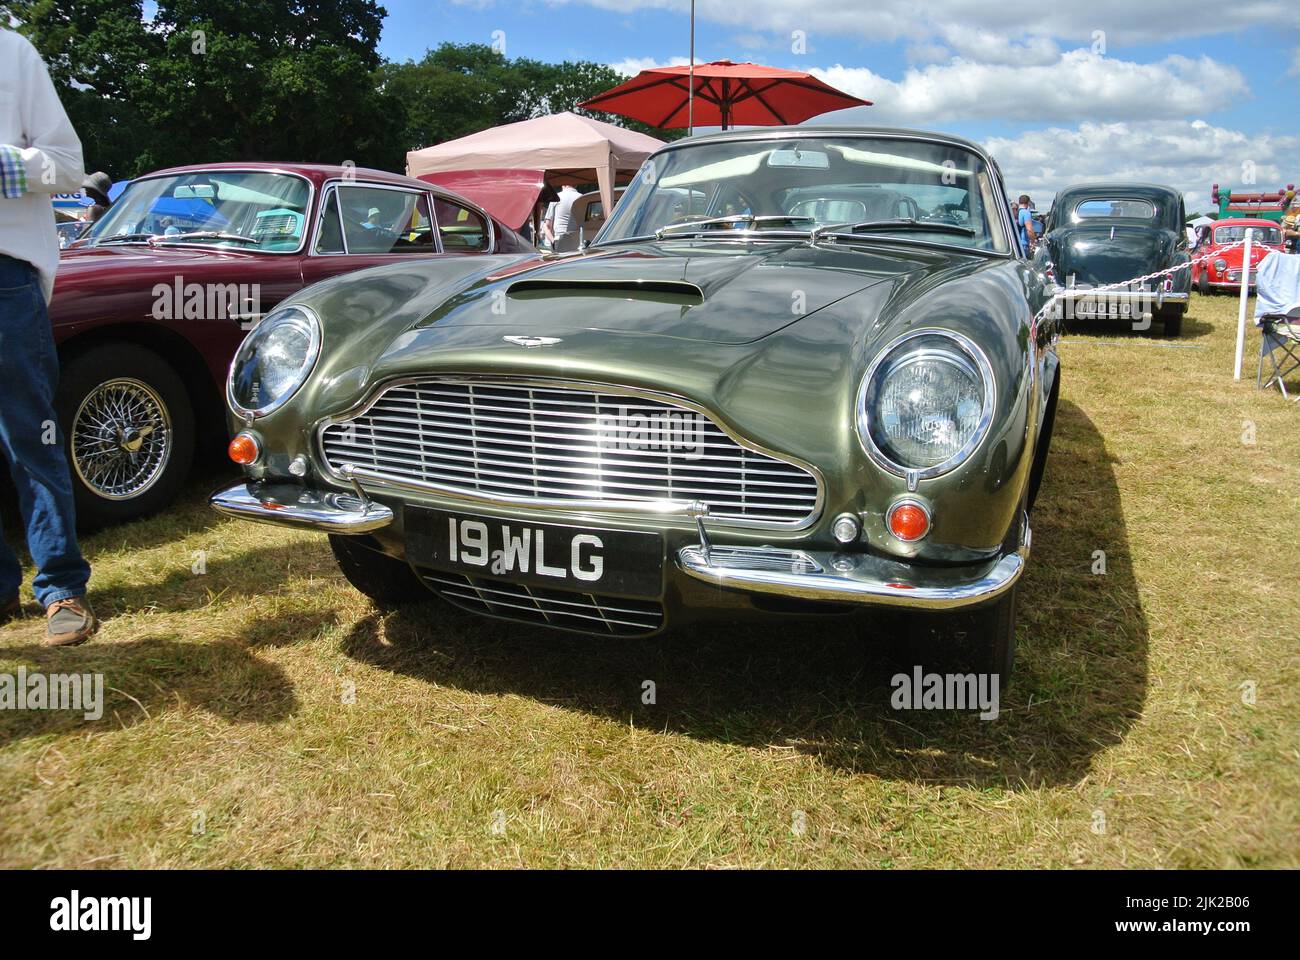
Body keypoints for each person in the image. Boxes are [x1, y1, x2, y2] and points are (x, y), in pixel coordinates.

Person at [0, 28, 98, 646]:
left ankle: (61, 587)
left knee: (28, 434)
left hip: (5, 266)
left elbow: (67, 164)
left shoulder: (12, 52)